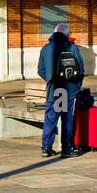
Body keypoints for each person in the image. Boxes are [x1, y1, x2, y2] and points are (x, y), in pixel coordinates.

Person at [37, 22, 85, 158]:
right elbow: (80, 68)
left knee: (50, 118)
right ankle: (66, 149)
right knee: (66, 119)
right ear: (66, 34)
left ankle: (46, 148)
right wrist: (76, 85)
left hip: (54, 89)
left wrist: (50, 80)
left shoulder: (45, 48)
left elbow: (40, 70)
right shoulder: (71, 47)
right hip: (68, 89)